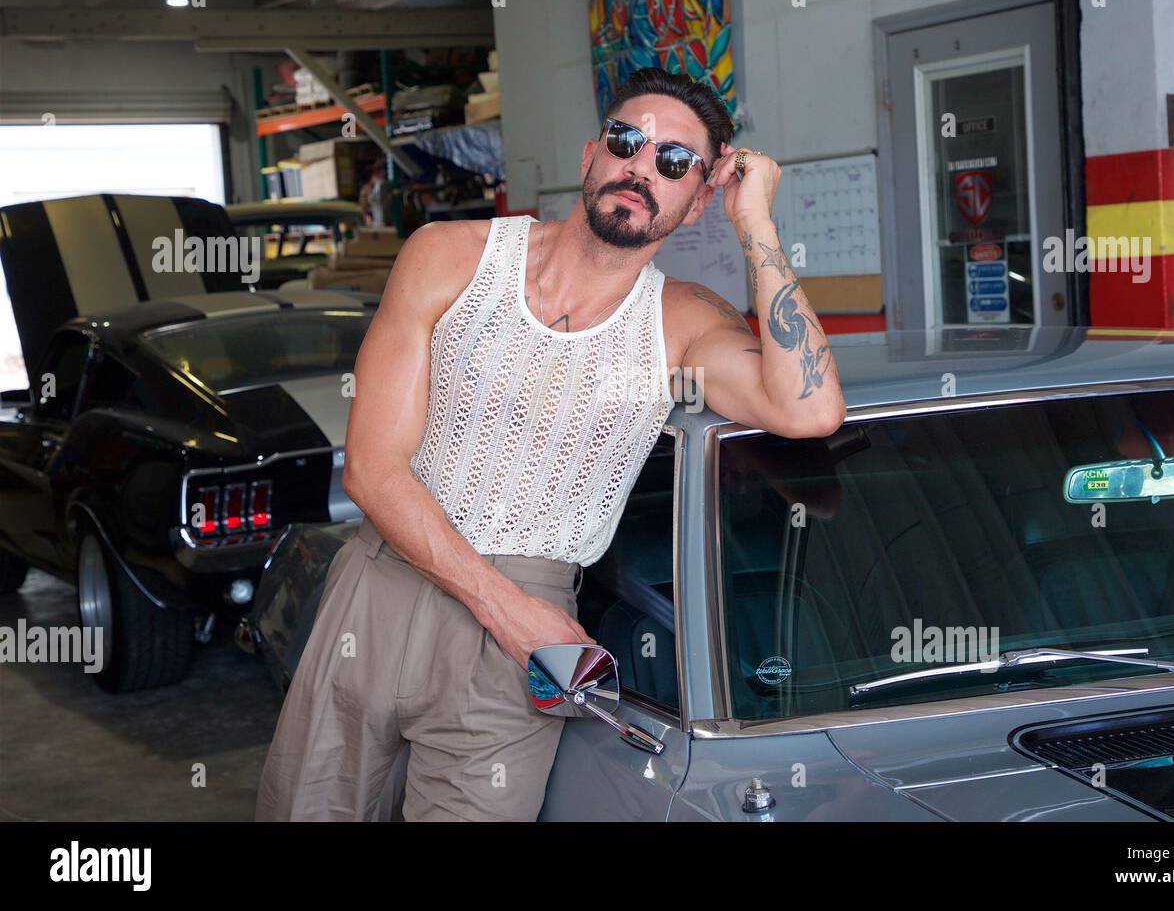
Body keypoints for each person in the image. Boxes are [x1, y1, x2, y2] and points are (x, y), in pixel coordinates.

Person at [254, 66, 846, 821]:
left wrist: (756, 221)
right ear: (589, 157)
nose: (642, 167)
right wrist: (504, 609)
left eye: (674, 162)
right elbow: (372, 469)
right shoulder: (448, 256)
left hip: (526, 641)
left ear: (697, 202)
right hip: (382, 584)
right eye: (627, 141)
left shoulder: (682, 323)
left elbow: (811, 408)